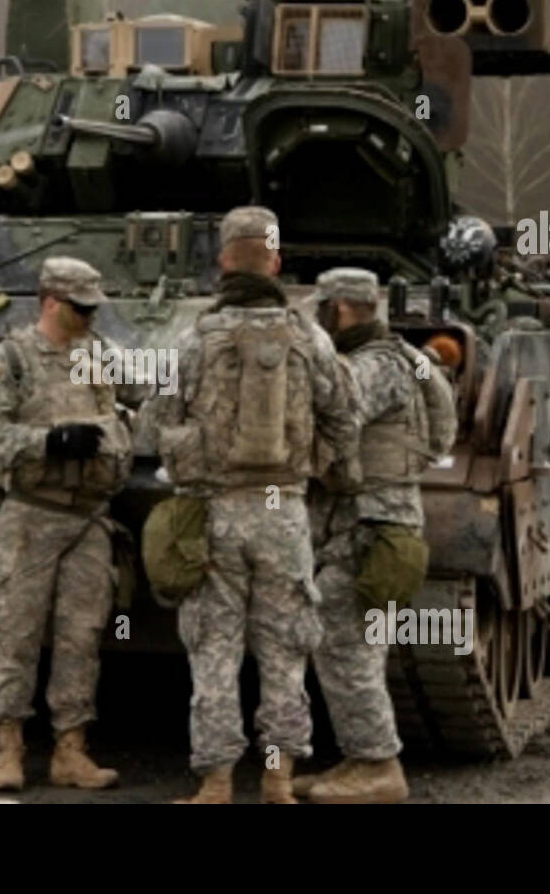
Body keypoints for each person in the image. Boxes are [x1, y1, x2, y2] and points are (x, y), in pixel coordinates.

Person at [145, 206, 363, 804]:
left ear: (221, 261)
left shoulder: (192, 339)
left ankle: (215, 784)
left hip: (210, 515)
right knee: (286, 649)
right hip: (284, 514)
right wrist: (334, 478)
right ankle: (278, 779)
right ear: (275, 262)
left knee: (214, 652)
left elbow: (154, 421)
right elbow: (345, 420)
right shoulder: (309, 338)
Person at [0, 256, 134, 791]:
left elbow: (143, 393)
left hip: (88, 517)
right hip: (32, 515)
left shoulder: (100, 355)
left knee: (79, 637)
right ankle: (8, 748)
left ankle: (71, 749)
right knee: (15, 633)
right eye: (80, 308)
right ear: (51, 303)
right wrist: (49, 441)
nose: (89, 317)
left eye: (93, 308)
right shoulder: (11, 359)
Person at [292, 268, 456, 804]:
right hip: (367, 521)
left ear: (339, 309)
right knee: (351, 642)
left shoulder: (377, 367)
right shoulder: (402, 357)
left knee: (345, 640)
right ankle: (361, 758)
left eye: (323, 311)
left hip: (371, 526)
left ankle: (378, 765)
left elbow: (337, 412)